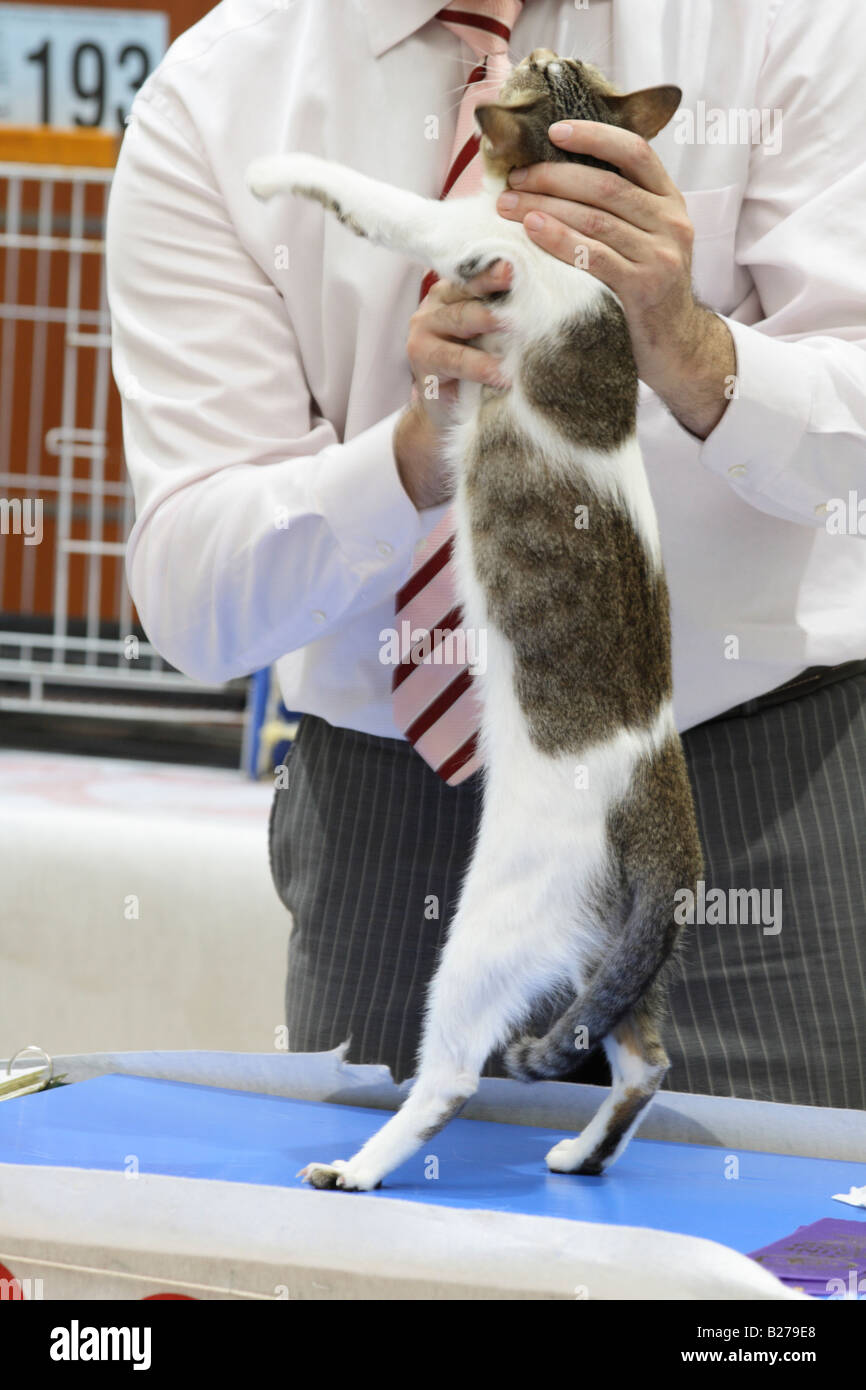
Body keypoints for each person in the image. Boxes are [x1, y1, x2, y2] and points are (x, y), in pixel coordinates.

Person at [106, 0, 866, 1109]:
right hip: (394, 821)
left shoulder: (785, 23)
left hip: (752, 800)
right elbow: (194, 598)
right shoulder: (217, 93)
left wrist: (693, 348)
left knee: (774, 1264)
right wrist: (412, 454)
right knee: (379, 1267)